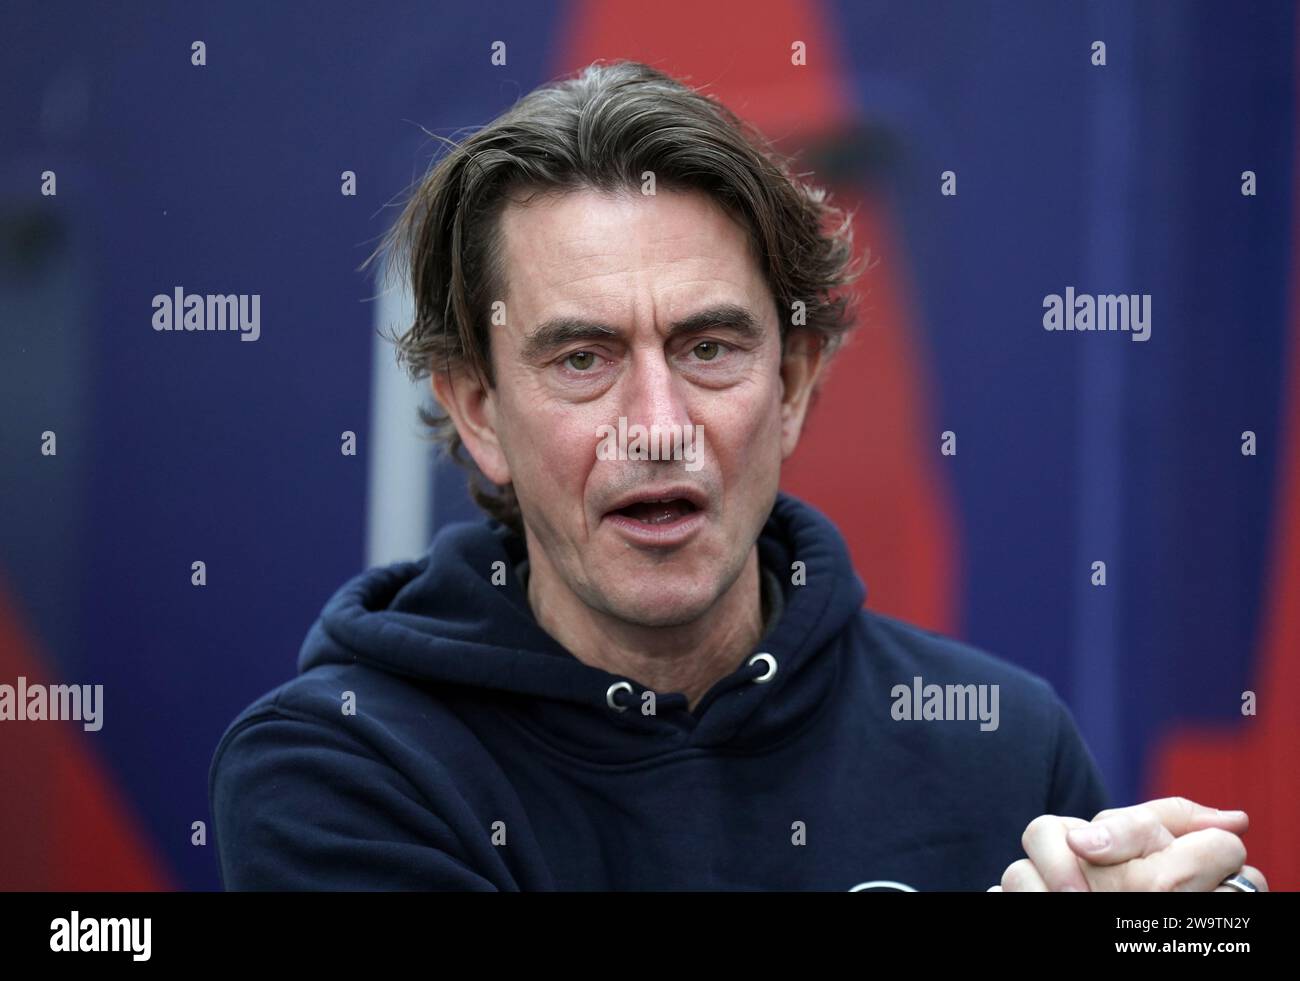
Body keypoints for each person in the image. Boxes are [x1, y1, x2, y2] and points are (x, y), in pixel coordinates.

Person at [209, 60, 1266, 892]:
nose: (659, 429)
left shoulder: (998, 740)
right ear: (478, 410)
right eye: (583, 360)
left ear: (795, 382)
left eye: (709, 349)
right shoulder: (341, 768)